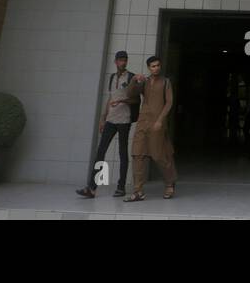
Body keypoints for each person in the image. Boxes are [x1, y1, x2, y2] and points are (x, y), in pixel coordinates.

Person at [76, 50, 137, 198]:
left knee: (122, 153)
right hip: (111, 119)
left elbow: (135, 100)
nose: (123, 62)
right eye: (121, 60)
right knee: (100, 152)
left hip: (124, 120)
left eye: (125, 60)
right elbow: (110, 99)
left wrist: (121, 101)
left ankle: (121, 187)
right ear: (116, 62)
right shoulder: (112, 77)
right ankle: (92, 188)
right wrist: (103, 118)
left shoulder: (131, 77)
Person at [123, 55, 177, 201]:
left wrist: (160, 120)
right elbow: (130, 94)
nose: (156, 68)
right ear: (149, 68)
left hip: (157, 123)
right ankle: (138, 191)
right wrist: (134, 80)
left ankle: (170, 183)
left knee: (158, 155)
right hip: (143, 122)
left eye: (158, 65)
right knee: (137, 154)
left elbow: (169, 102)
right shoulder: (144, 82)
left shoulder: (165, 82)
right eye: (153, 66)